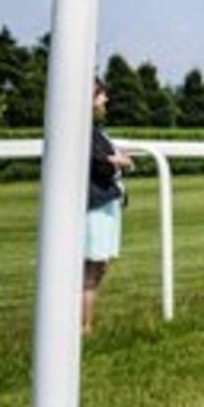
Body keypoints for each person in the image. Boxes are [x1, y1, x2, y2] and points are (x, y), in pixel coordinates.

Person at [83, 78, 135, 334]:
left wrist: (117, 160)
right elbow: (101, 164)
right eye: (101, 95)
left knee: (96, 267)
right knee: (93, 267)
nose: (106, 99)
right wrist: (119, 162)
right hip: (97, 205)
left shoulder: (94, 129)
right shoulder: (86, 130)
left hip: (103, 203)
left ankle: (83, 326)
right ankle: (84, 328)